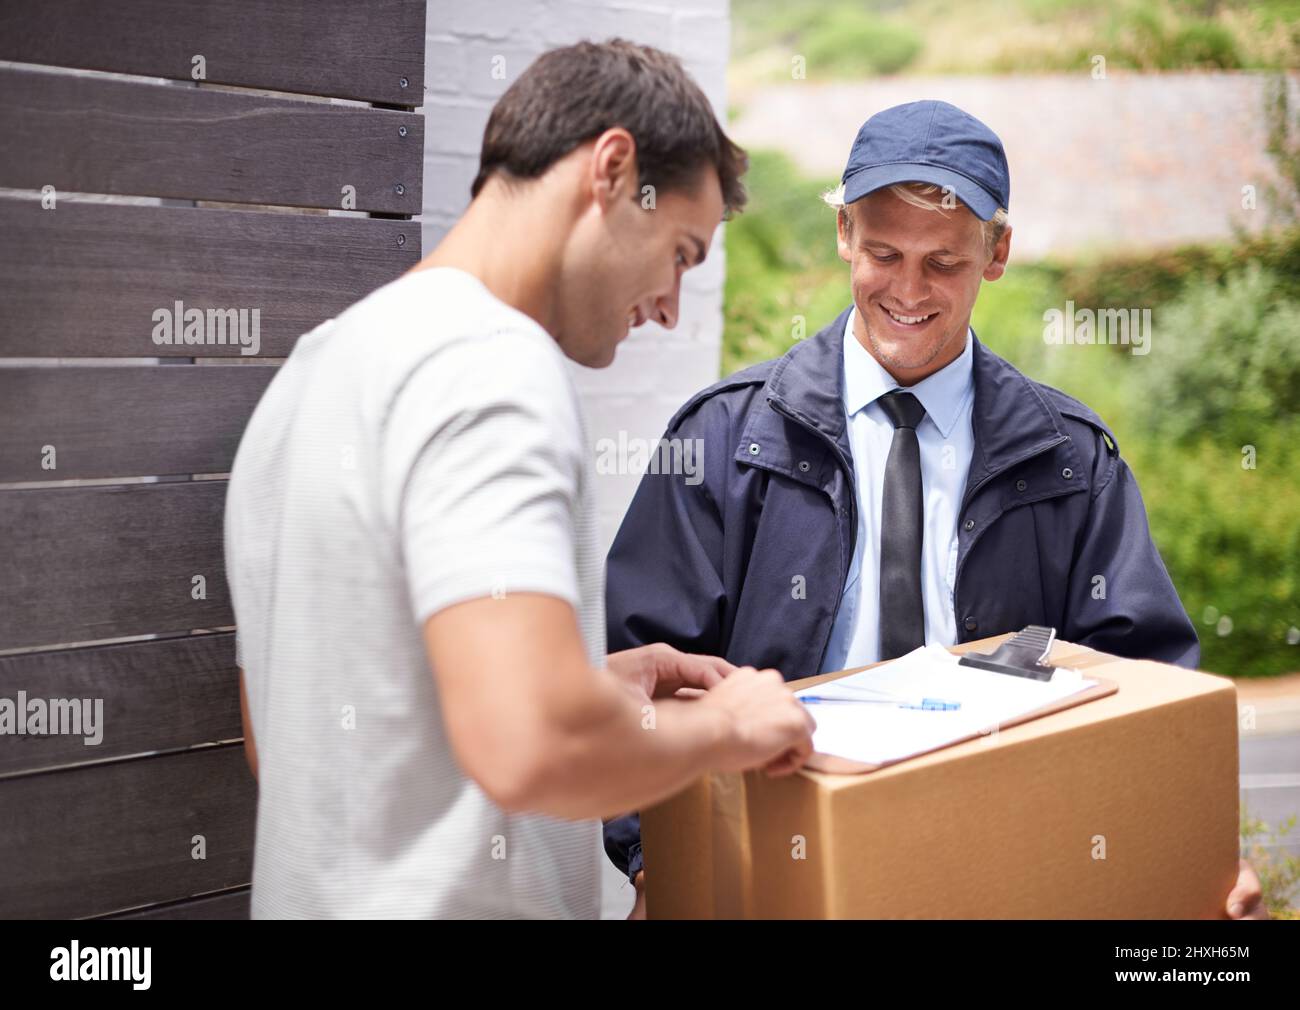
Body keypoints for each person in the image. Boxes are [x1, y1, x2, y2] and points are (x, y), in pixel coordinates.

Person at [603, 100, 1266, 920]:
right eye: (883, 252)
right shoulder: (722, 438)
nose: (909, 291)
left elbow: (1150, 686)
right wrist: (656, 868)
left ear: (998, 251)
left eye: (943, 263)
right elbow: (646, 665)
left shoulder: (1070, 459)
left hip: (1005, 871)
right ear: (844, 232)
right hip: (778, 868)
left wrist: (1192, 856)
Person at [225, 39, 814, 919]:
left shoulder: (318, 367)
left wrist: (582, 688)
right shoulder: (495, 367)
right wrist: (727, 729)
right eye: (682, 255)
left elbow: (295, 732)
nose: (668, 306)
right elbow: (530, 743)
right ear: (612, 171)